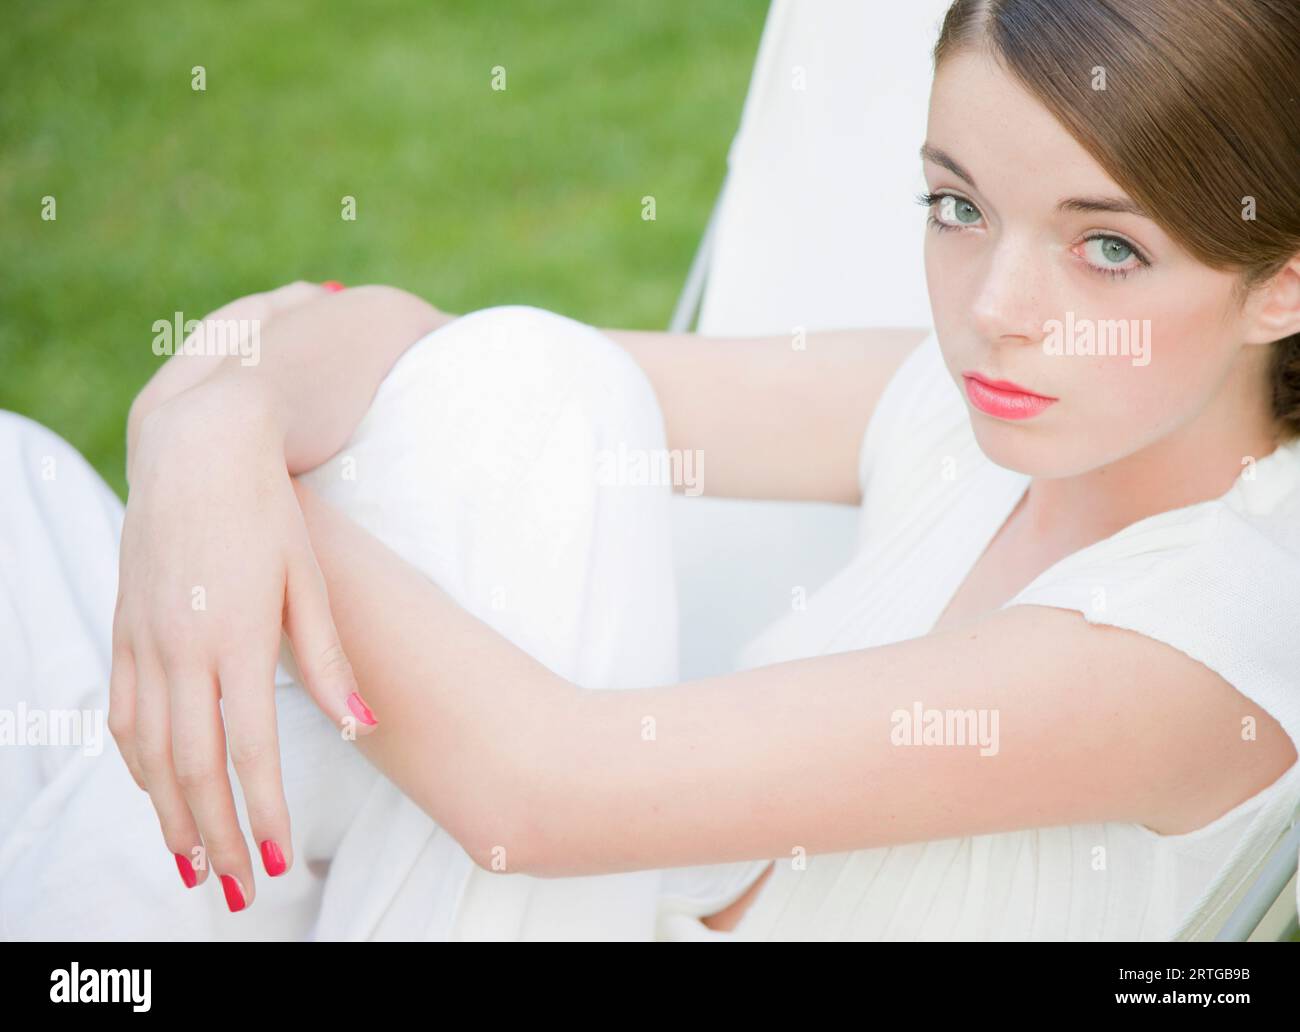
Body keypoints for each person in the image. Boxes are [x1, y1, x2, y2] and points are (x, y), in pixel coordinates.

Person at [6, 0, 1300, 940]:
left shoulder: (1206, 646)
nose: (1000, 309)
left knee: (529, 401)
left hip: (548, 860)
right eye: (960, 208)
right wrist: (218, 429)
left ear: (1282, 283)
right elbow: (425, 347)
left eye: (1109, 251)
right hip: (511, 880)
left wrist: (238, 495)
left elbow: (542, 791)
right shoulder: (974, 406)